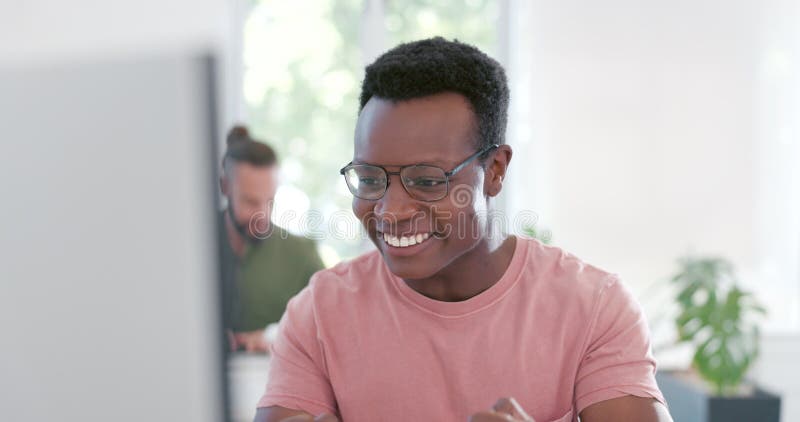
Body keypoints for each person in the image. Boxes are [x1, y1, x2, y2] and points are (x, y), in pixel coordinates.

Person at [254, 38, 672, 421]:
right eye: (370, 178)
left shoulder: (594, 308)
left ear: (494, 171)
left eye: (428, 180)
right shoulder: (319, 315)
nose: (391, 210)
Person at [219, 126, 324, 353]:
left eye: (270, 201)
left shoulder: (301, 254)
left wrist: (273, 335)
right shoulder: (190, 248)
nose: (263, 215)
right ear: (225, 187)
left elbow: (331, 321)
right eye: (251, 202)